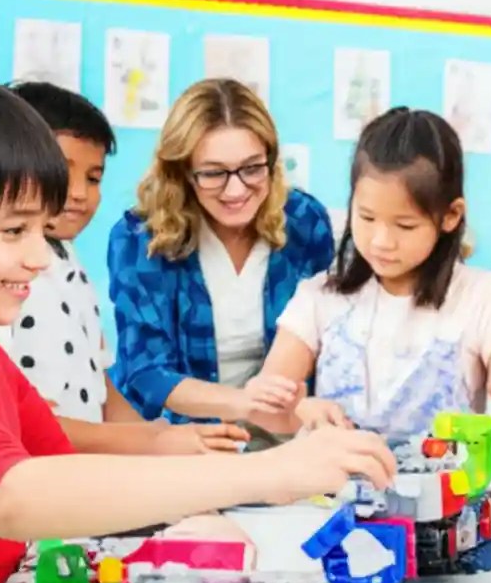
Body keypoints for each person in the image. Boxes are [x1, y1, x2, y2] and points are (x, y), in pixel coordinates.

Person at [0, 71, 395, 583]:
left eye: (39, 231)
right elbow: (14, 495)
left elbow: (74, 465)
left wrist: (187, 495)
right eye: (13, 232)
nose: (41, 257)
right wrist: (270, 472)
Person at [251, 107, 491, 440]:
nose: (381, 241)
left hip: (443, 489)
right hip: (330, 489)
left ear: (450, 216)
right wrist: (301, 411)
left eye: (405, 225)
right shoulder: (320, 296)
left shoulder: (484, 296)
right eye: (367, 218)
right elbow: (264, 408)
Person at [0, 81, 248, 453]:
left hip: (84, 471)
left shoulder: (69, 265)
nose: (78, 192)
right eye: (62, 171)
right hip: (38, 478)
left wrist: (165, 444)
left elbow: (101, 387)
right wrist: (153, 440)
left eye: (93, 178)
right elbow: (19, 424)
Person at [107, 78, 334, 426]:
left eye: (252, 167)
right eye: (213, 173)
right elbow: (147, 372)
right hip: (173, 434)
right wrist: (244, 404)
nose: (236, 189)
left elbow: (327, 338)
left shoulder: (303, 221)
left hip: (280, 429)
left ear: (271, 161)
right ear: (183, 172)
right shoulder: (139, 239)